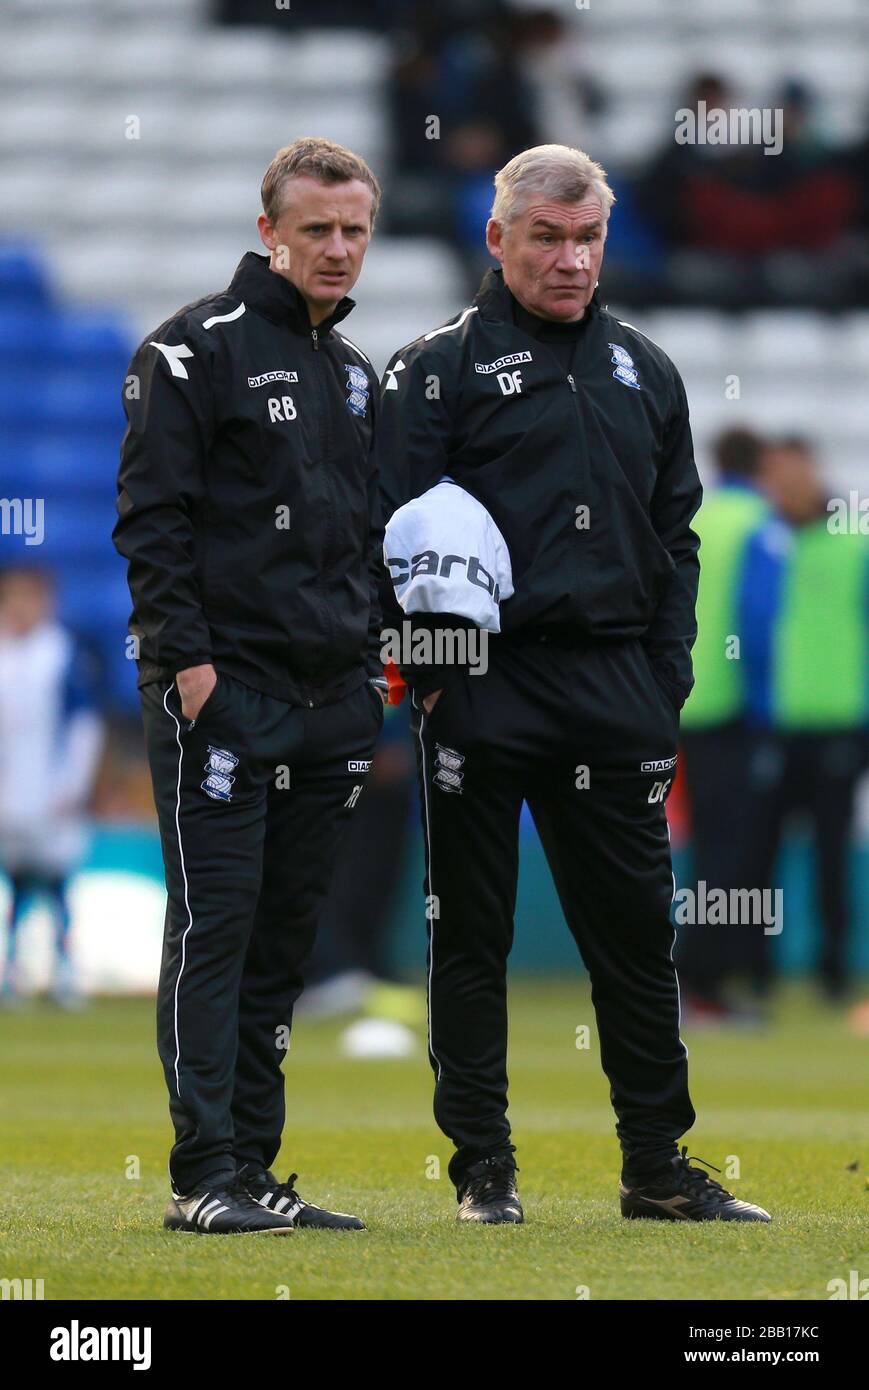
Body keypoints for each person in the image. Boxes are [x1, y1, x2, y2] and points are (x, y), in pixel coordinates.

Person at [377, 143, 771, 1224]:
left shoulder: (645, 368)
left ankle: (655, 1165)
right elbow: (390, 545)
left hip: (614, 690)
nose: (568, 259)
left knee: (636, 939)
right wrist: (443, 686)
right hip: (485, 686)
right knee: (470, 937)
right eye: (545, 237)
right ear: (496, 238)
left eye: (586, 237)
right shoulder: (431, 372)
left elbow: (674, 536)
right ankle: (482, 1171)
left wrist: (664, 675)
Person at [113, 138, 387, 1236]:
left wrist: (371, 669)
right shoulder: (188, 353)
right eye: (315, 228)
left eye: (353, 229)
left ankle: (255, 1170)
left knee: (282, 940)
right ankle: (200, 1176)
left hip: (330, 699)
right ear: (267, 229)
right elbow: (152, 522)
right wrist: (190, 670)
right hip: (224, 696)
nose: (336, 248)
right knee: (214, 927)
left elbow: (363, 538)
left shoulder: (355, 374)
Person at [742, 437, 869, 1001]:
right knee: (759, 852)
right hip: (772, 724)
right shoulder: (763, 543)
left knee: (830, 853)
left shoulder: (852, 542)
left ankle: (832, 970)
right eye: (775, 476)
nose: (785, 487)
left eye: (792, 474)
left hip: (839, 723)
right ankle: (758, 970)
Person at [677, 427, 785, 1023]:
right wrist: (769, 713)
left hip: (690, 701)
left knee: (711, 847)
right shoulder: (760, 524)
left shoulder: (701, 516)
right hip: (738, 709)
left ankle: (700, 982)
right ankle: (702, 984)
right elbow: (761, 620)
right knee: (732, 854)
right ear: (762, 463)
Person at [0, 567, 104, 1008]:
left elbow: (84, 726)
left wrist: (73, 784)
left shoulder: (61, 653)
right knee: (16, 884)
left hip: (50, 792)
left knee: (57, 883)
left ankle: (65, 972)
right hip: (7, 791)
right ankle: (11, 972)